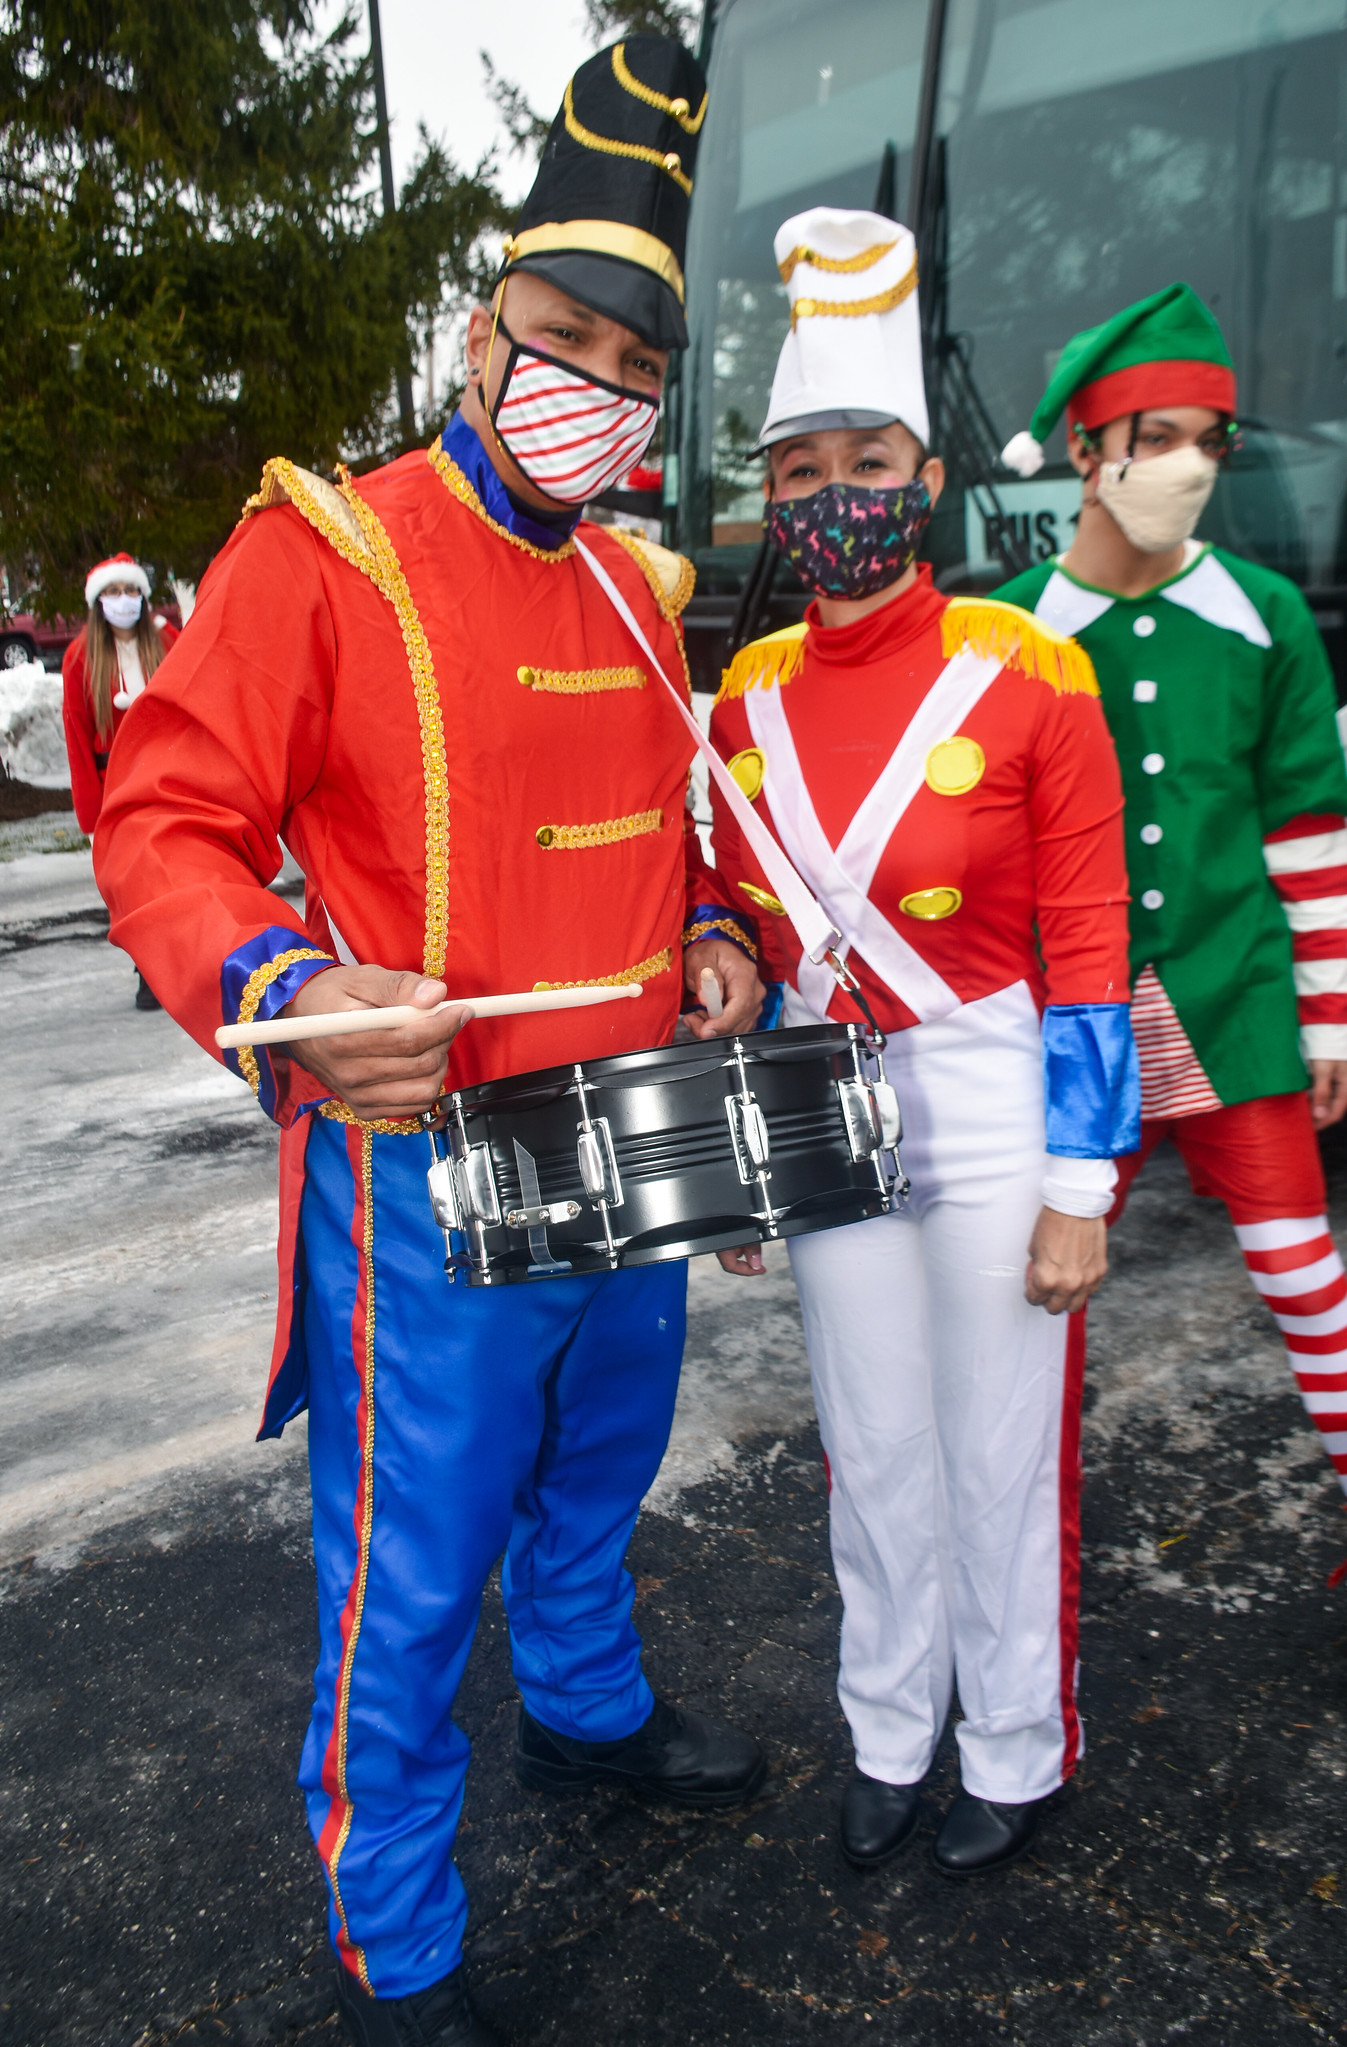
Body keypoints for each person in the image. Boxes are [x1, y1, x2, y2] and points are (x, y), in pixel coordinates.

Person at [95, 40, 768, 2047]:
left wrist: (717, 935)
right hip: (427, 1162)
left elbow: (686, 831)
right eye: (559, 338)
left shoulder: (644, 591)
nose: (590, 387)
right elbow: (165, 822)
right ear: (482, 334)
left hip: (634, 1132)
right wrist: (288, 994)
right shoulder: (329, 553)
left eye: (630, 368)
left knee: (601, 1466)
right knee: (409, 1557)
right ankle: (392, 1926)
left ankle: (584, 1708)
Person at [708, 208, 1138, 1879]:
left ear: (927, 478)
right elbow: (737, 932)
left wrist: (1079, 1185)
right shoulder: (740, 697)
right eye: (800, 469)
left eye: (867, 461)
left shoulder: (1028, 672)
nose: (835, 495)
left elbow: (1089, 943)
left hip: (988, 1079)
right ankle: (889, 1728)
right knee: (869, 1442)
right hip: (823, 1096)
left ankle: (1015, 1742)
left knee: (995, 1444)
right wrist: (741, 1144)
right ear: (771, 495)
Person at [998, 284, 1347, 1505]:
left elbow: (1307, 828)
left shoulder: (1265, 612)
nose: (1187, 466)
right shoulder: (1008, 630)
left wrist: (1330, 1015)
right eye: (1156, 437)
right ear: (1086, 448)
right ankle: (1022, 1560)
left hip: (1231, 992)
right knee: (1040, 1293)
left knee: (1303, 1267)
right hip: (1069, 1019)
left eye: (1210, 440)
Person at [61, 552, 178, 1008]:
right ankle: (148, 968)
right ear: (98, 602)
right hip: (116, 785)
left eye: (130, 590)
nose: (123, 599)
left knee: (174, 871)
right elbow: (77, 735)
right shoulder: (80, 656)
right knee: (134, 882)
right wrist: (91, 815)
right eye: (113, 592)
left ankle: (180, 962)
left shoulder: (167, 642)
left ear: (143, 597)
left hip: (168, 778)